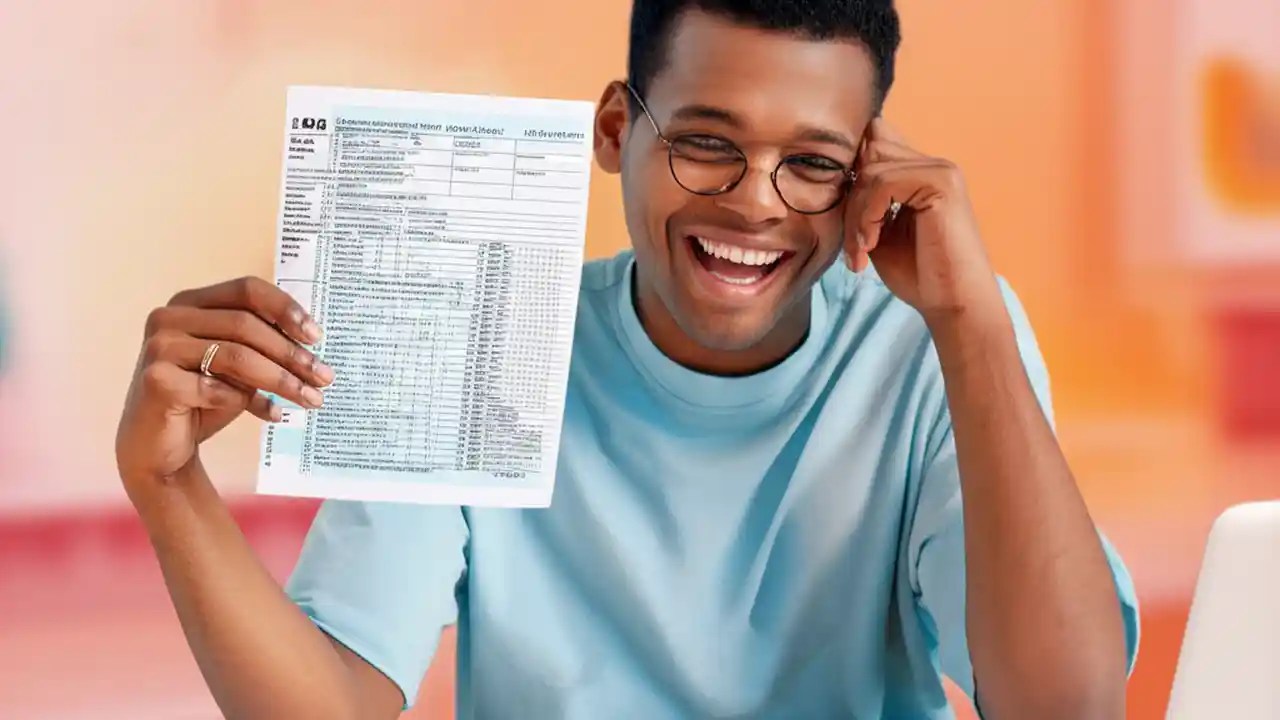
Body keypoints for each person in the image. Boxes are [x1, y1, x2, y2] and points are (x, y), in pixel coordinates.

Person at [114, 1, 1140, 718]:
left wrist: (971, 325)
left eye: (812, 164)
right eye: (706, 144)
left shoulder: (938, 338)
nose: (755, 202)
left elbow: (1065, 706)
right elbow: (331, 707)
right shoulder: (476, 329)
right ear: (615, 130)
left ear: (864, 170)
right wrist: (169, 488)